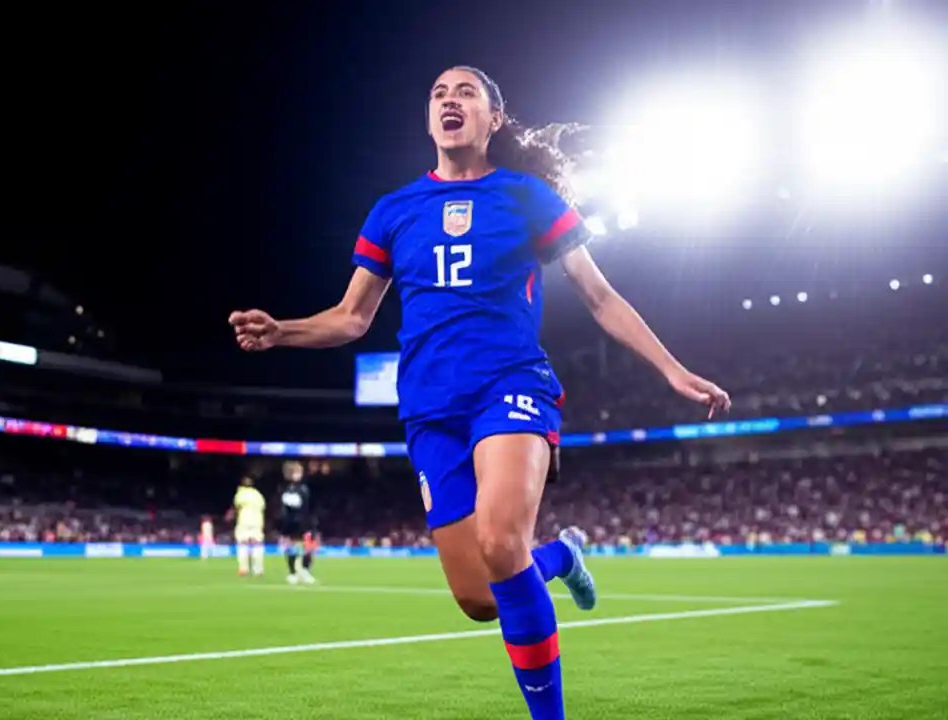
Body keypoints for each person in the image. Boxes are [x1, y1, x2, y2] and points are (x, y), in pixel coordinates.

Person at [229, 66, 730, 719]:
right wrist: (282, 332)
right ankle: (563, 555)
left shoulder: (528, 197)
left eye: (465, 92)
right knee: (477, 597)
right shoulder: (393, 211)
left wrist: (671, 369)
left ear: (495, 118)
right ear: (428, 118)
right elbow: (352, 317)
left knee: (499, 542)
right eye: (438, 93)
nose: (449, 100)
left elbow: (600, 297)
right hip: (430, 411)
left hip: (511, 385)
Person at [277, 463, 315, 584]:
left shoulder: (304, 488)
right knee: (292, 548)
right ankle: (292, 572)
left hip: (304, 523)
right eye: (296, 472)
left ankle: (305, 570)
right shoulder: (284, 488)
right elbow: (285, 506)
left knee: (308, 547)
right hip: (291, 524)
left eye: (300, 472)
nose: (299, 475)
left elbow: (304, 504)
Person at [227, 476, 266, 577]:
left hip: (244, 521)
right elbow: (263, 507)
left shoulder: (241, 493)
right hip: (257, 521)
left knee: (243, 544)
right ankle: (258, 569)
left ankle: (243, 569)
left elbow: (237, 505)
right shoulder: (258, 494)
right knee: (257, 545)